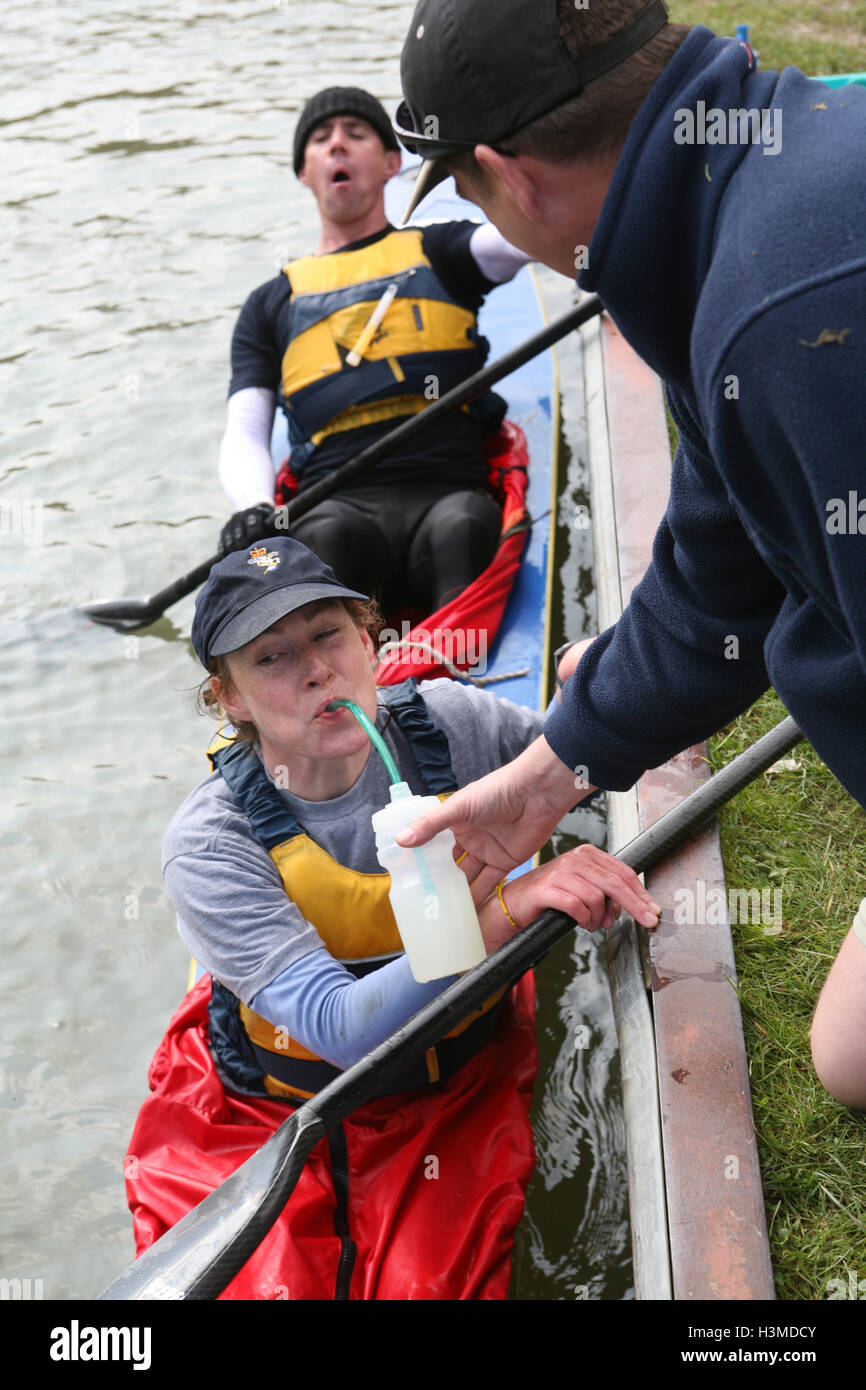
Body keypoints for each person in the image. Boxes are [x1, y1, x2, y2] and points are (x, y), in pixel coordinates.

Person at [393, 0, 866, 1108]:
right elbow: (722, 574)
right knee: (848, 1058)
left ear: (510, 173)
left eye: (465, 191)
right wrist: (547, 773)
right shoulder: (737, 203)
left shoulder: (784, 321)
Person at [125, 536, 658, 1301]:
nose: (315, 670)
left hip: (449, 1091)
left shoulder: (451, 723)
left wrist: (590, 674)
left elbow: (581, 758)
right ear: (231, 698)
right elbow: (342, 1031)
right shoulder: (210, 844)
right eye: (271, 659)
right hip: (275, 1106)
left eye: (328, 635)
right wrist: (508, 908)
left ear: (369, 640)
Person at [217, 86, 532, 615]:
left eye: (355, 134)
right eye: (321, 139)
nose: (337, 144)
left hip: (447, 489)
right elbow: (245, 430)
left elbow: (527, 237)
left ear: (391, 163)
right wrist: (252, 507)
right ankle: (347, 680)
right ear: (304, 172)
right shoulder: (270, 304)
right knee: (326, 539)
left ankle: (454, 685)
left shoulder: (443, 250)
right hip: (338, 503)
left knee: (462, 527)